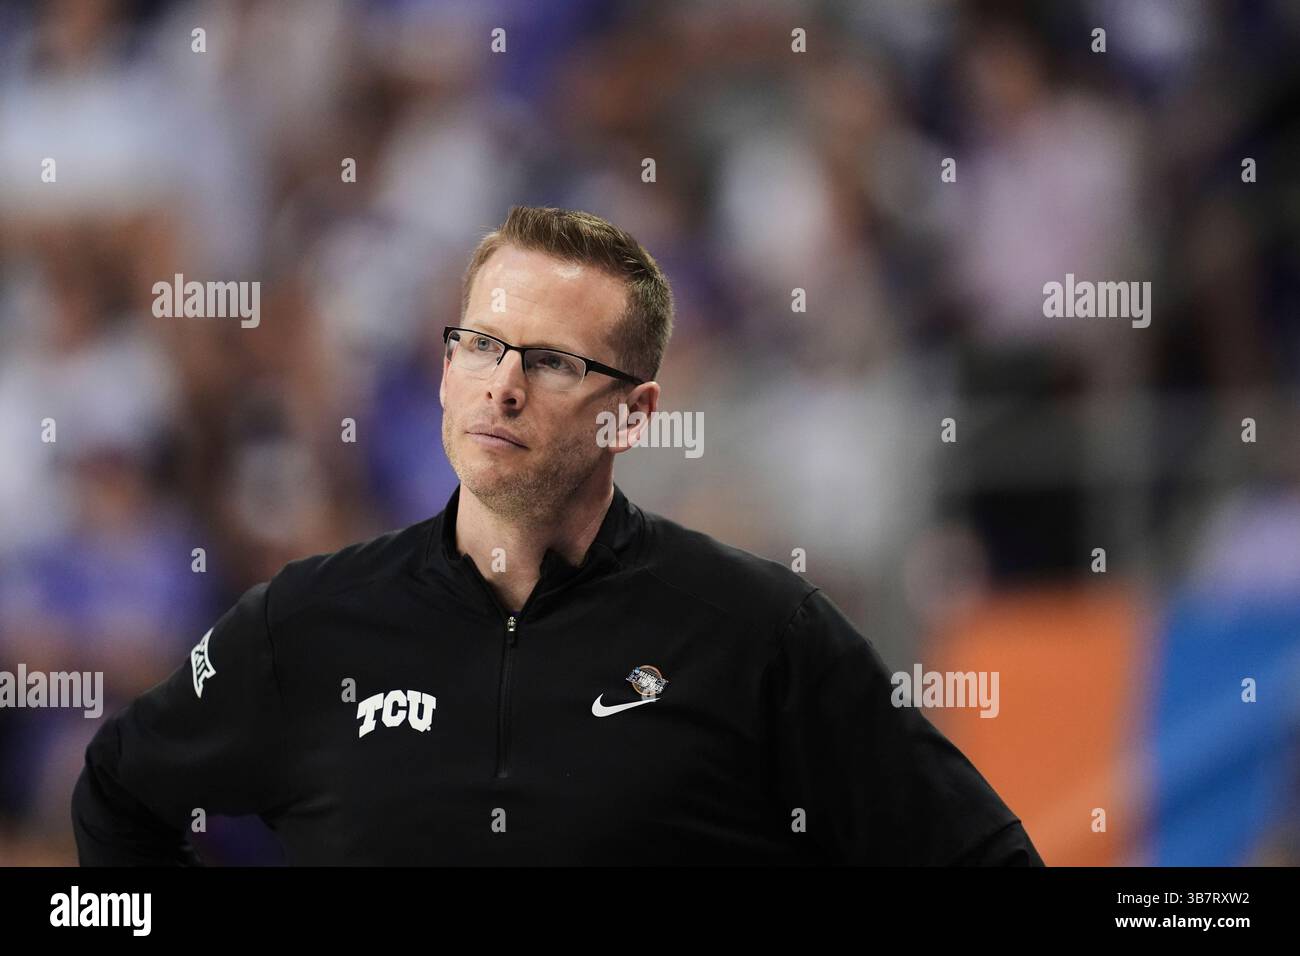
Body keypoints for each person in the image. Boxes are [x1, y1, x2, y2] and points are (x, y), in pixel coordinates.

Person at [72, 205, 1043, 865]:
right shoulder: (308, 621)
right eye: (481, 345)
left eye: (550, 361)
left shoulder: (760, 632)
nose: (501, 383)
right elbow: (120, 791)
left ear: (632, 413)